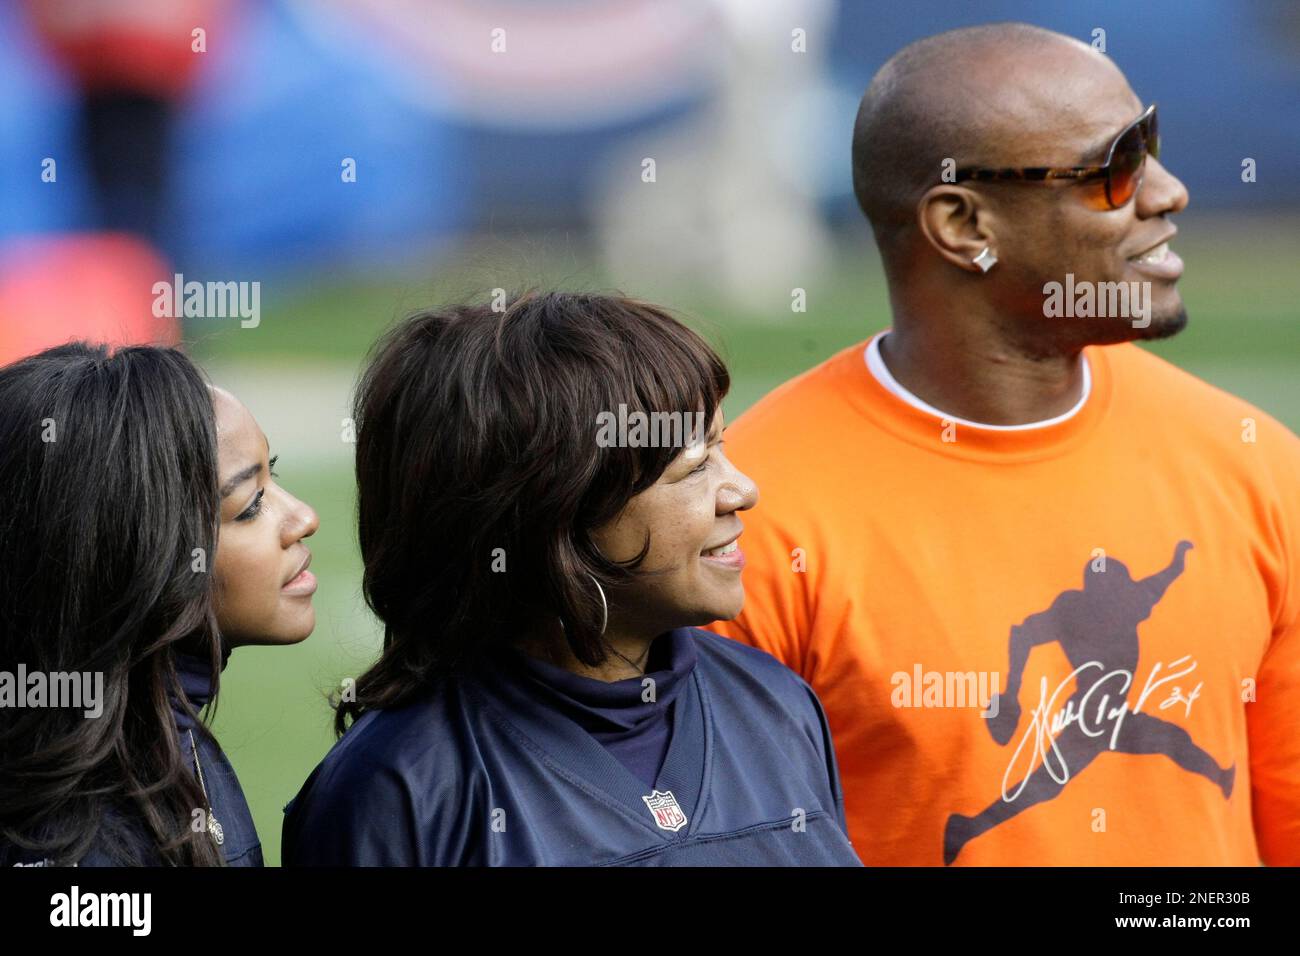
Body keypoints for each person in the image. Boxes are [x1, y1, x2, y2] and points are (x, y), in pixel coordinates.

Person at [710, 23, 1300, 865]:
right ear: (963, 224)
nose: (1168, 192)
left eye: (1153, 147)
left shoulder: (1256, 465)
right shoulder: (747, 523)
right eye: (1116, 169)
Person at [282, 292, 859, 866]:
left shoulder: (775, 703)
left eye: (721, 446)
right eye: (693, 466)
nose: (743, 490)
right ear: (554, 512)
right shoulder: (399, 791)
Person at [0, 342, 319, 866]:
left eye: (273, 476)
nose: (304, 517)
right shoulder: (81, 843)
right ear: (131, 552)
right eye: (250, 505)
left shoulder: (164, 733)